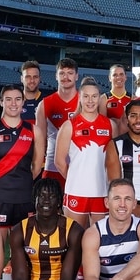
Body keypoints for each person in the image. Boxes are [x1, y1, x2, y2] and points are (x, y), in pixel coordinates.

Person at [0, 85, 42, 227]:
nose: (13, 104)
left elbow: (37, 166)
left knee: (22, 247)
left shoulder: (34, 131)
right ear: (1, 102)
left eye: (18, 99)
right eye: (8, 99)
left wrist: (22, 186)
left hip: (25, 198)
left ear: (23, 101)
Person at [55, 77, 113, 227]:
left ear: (99, 98)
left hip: (102, 193)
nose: (90, 100)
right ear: (80, 98)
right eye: (86, 96)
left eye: (94, 96)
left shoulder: (110, 125)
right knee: (74, 240)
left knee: (100, 240)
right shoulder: (69, 125)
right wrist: (77, 178)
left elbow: (114, 161)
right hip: (76, 191)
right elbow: (59, 162)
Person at [36, 58, 81, 190]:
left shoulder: (85, 102)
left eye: (70, 73)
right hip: (52, 168)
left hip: (78, 167)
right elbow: (39, 141)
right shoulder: (45, 104)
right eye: (62, 73)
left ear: (77, 76)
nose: (66, 77)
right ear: (56, 76)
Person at [102, 64, 132, 137]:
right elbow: (101, 124)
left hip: (128, 139)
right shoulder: (103, 99)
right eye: (115, 75)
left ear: (125, 77)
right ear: (109, 78)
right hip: (110, 138)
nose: (118, 77)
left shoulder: (133, 99)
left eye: (121, 74)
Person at [20, 60, 44, 124]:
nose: (32, 81)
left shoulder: (48, 102)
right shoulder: (13, 102)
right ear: (22, 79)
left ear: (40, 79)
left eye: (35, 77)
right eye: (28, 77)